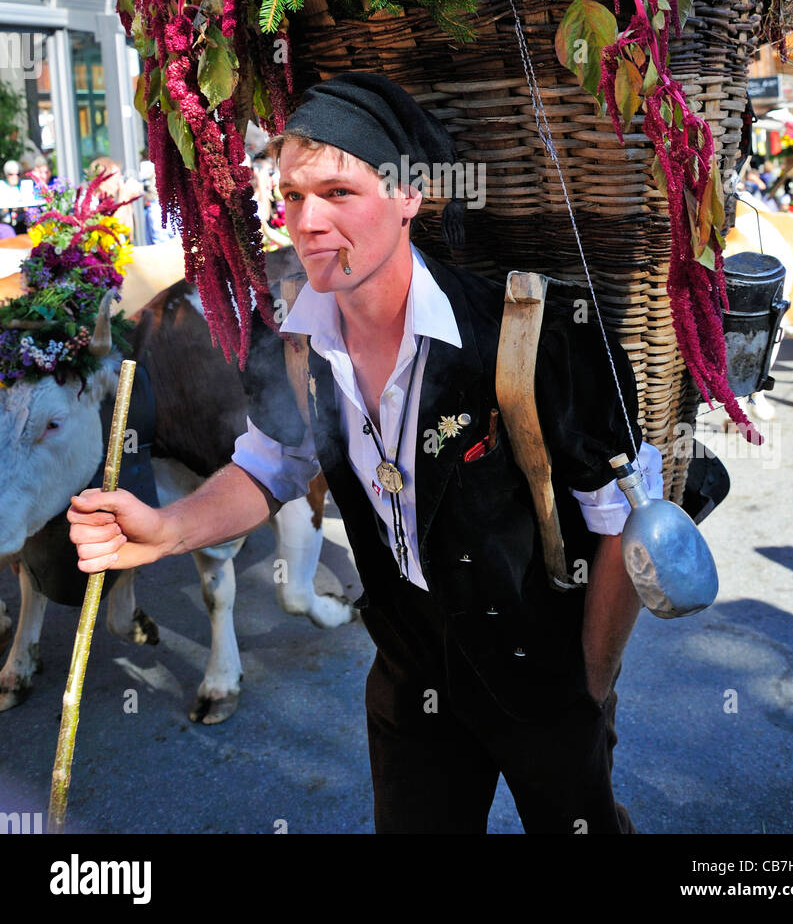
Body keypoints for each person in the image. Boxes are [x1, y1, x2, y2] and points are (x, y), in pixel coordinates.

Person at [67, 73, 662, 835]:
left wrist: (588, 681)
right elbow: (268, 463)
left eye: (339, 193)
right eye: (290, 197)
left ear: (408, 195)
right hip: (410, 673)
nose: (307, 222)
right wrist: (168, 528)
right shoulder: (290, 346)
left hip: (538, 668)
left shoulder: (533, 334)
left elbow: (621, 522)